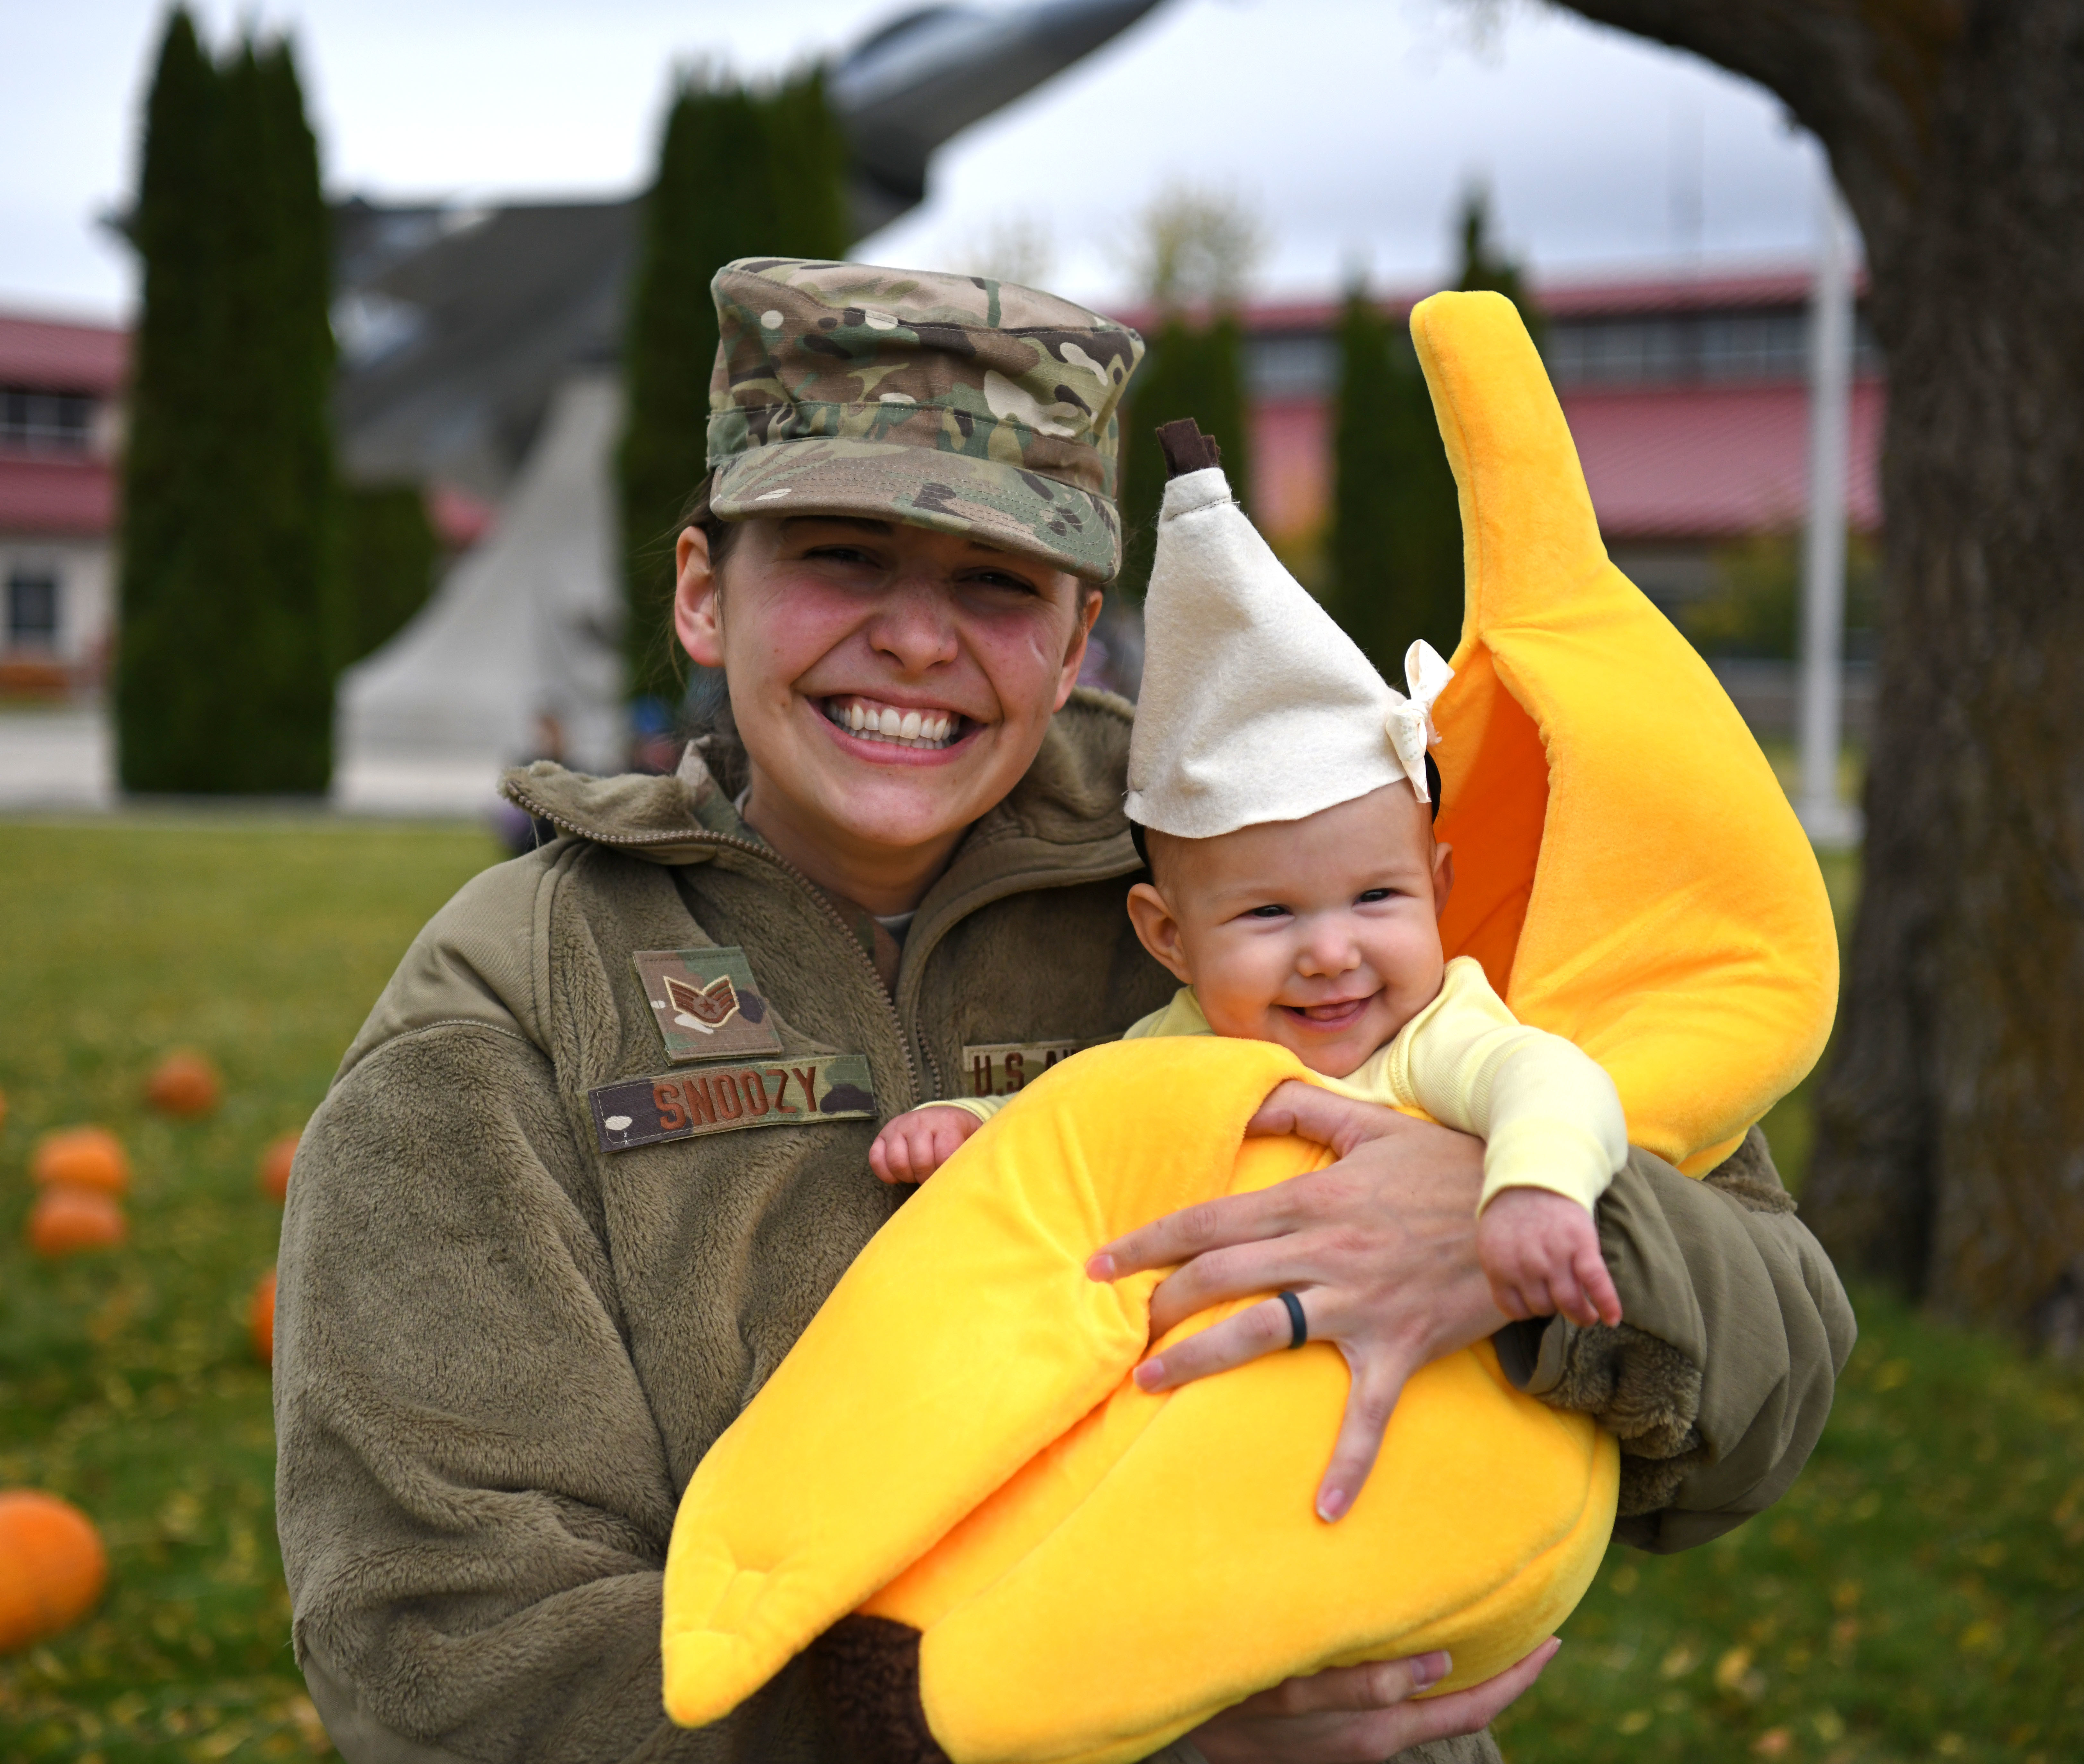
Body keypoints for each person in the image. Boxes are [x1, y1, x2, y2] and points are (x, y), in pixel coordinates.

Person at [274, 258, 1853, 1764]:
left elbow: (1770, 1382)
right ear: (702, 592)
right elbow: (446, 1656)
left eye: (994, 582)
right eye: (837, 556)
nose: (912, 638)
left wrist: (1510, 1237)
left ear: (1080, 635)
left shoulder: (1316, 879)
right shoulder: (510, 1003)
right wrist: (1083, 1721)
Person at [871, 437, 1625, 1346]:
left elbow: (1549, 1080)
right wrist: (972, 1123)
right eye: (1270, 913)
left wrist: (1533, 1192)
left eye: (1378, 899)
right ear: (1169, 939)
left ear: (1440, 888)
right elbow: (1076, 1114)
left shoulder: (1434, 1037)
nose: (1331, 953)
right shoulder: (1178, 1042)